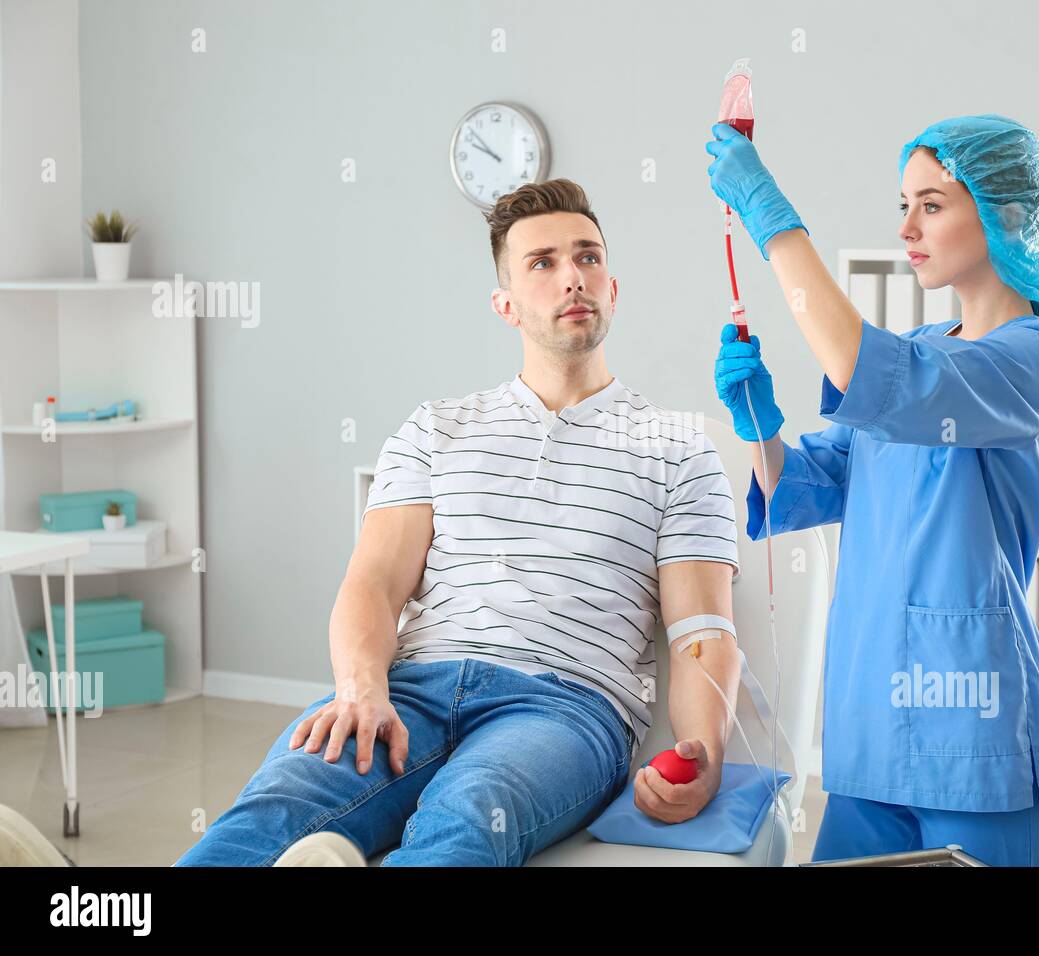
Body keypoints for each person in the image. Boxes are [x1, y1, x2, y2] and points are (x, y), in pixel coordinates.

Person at [162, 179, 744, 866]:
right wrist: (361, 689)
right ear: (505, 305)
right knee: (278, 803)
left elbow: (703, 633)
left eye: (588, 258)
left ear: (613, 288)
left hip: (561, 709)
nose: (572, 278)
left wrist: (701, 753)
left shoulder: (677, 447)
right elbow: (374, 584)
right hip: (414, 686)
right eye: (542, 263)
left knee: (470, 811)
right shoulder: (436, 428)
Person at [705, 114, 1039, 866]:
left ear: (1007, 215)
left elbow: (868, 372)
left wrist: (771, 219)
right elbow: (809, 486)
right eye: (902, 205)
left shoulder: (1036, 356)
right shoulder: (918, 348)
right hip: (871, 733)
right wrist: (759, 427)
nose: (908, 227)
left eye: (932, 204)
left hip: (978, 746)